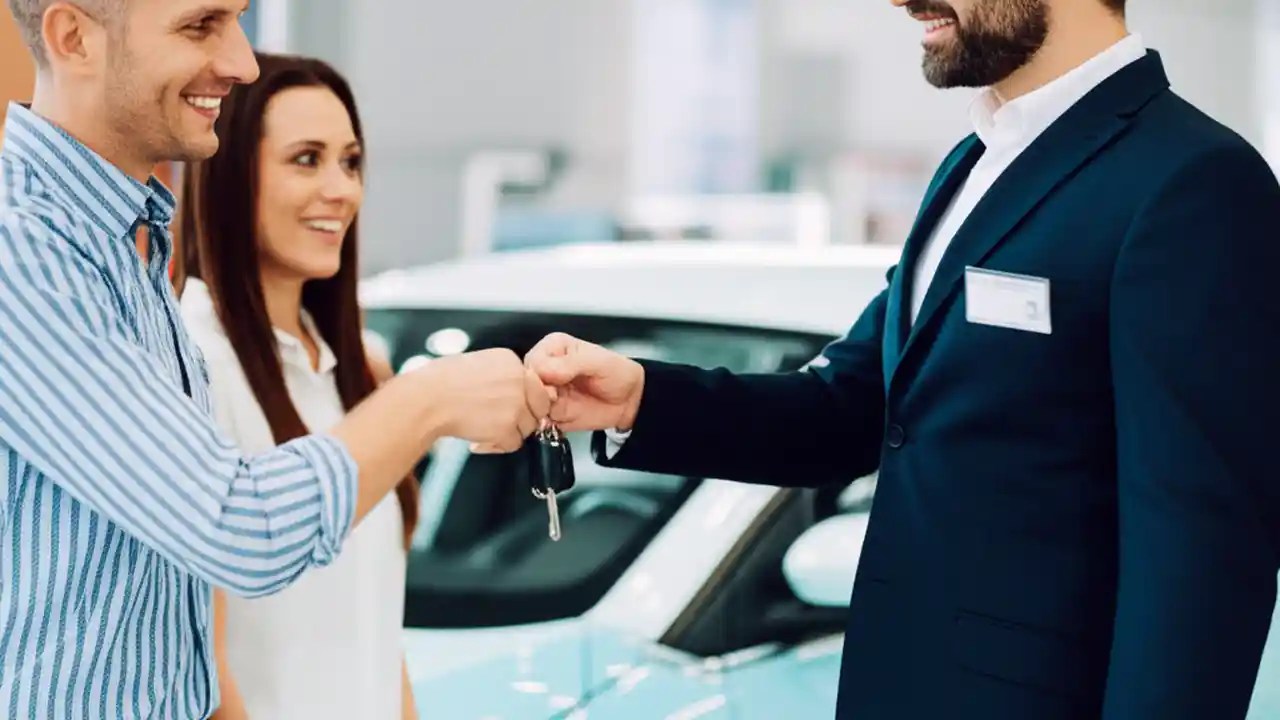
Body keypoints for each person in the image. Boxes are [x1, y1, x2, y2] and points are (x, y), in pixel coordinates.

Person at [522, 0, 1280, 718]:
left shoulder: (1194, 182)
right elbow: (853, 408)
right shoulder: (974, 164)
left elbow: (1200, 561)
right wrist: (640, 401)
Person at [0, 2, 549, 718]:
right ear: (74, 38)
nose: (242, 62)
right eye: (202, 25)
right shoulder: (25, 250)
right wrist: (431, 401)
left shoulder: (122, 252)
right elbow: (238, 528)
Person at [177, 52, 419, 720]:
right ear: (228, 175)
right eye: (306, 159)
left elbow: (377, 632)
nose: (342, 189)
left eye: (350, 160)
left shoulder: (364, 366)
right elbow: (205, 670)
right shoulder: (192, 364)